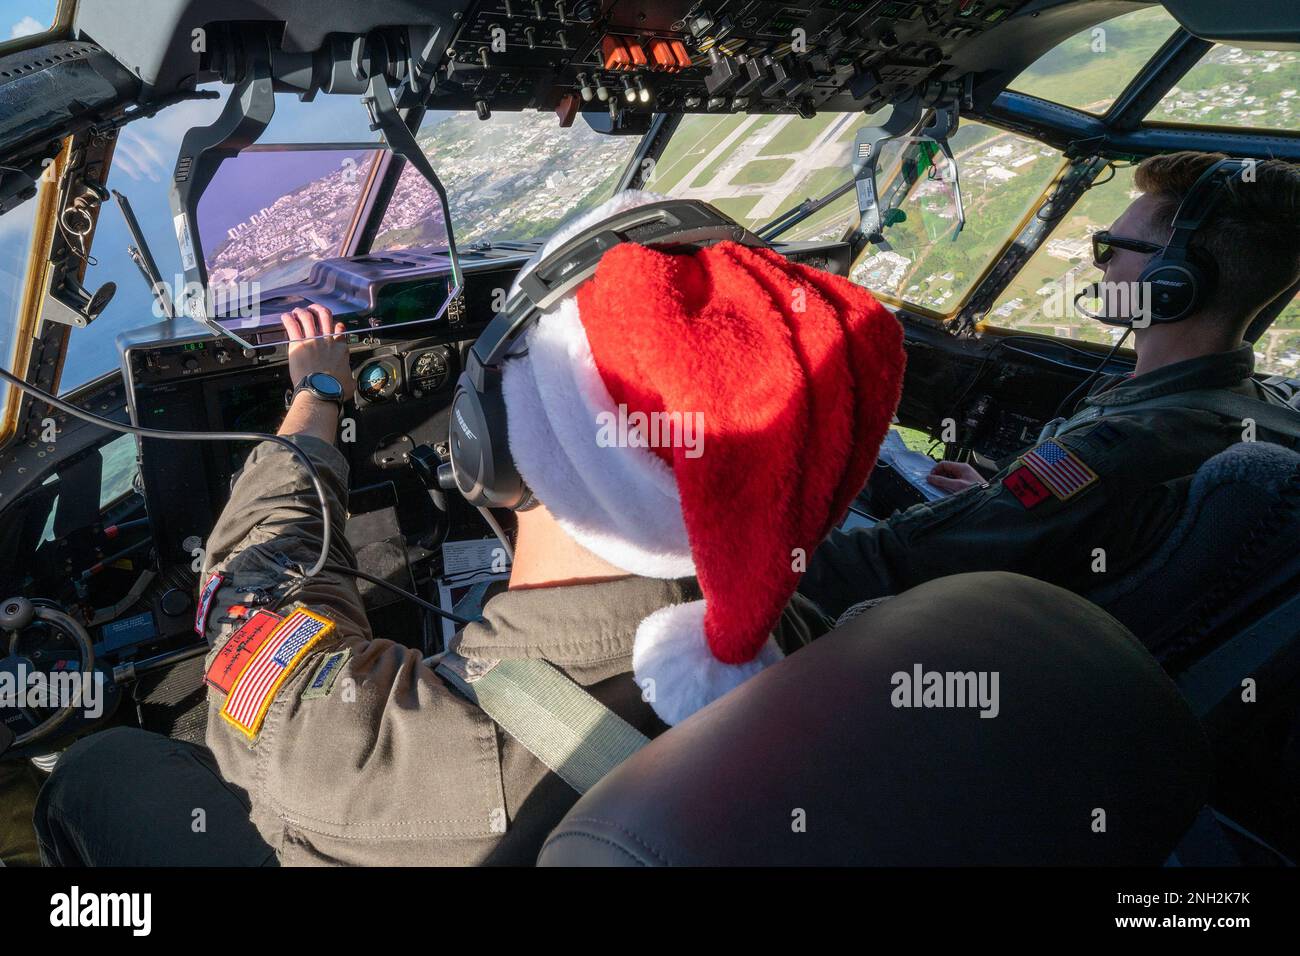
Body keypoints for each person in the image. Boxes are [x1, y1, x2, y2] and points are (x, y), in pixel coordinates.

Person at [35, 192, 905, 865]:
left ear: (489, 444)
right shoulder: (811, 641)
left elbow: (246, 604)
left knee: (100, 770)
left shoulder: (372, 751)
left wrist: (319, 398)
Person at [800, 152, 1300, 621]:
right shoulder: (1264, 408)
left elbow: (875, 567)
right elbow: (1098, 520)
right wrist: (1005, 502)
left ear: (1174, 280)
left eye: (1111, 248)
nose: (1099, 264)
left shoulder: (1118, 450)